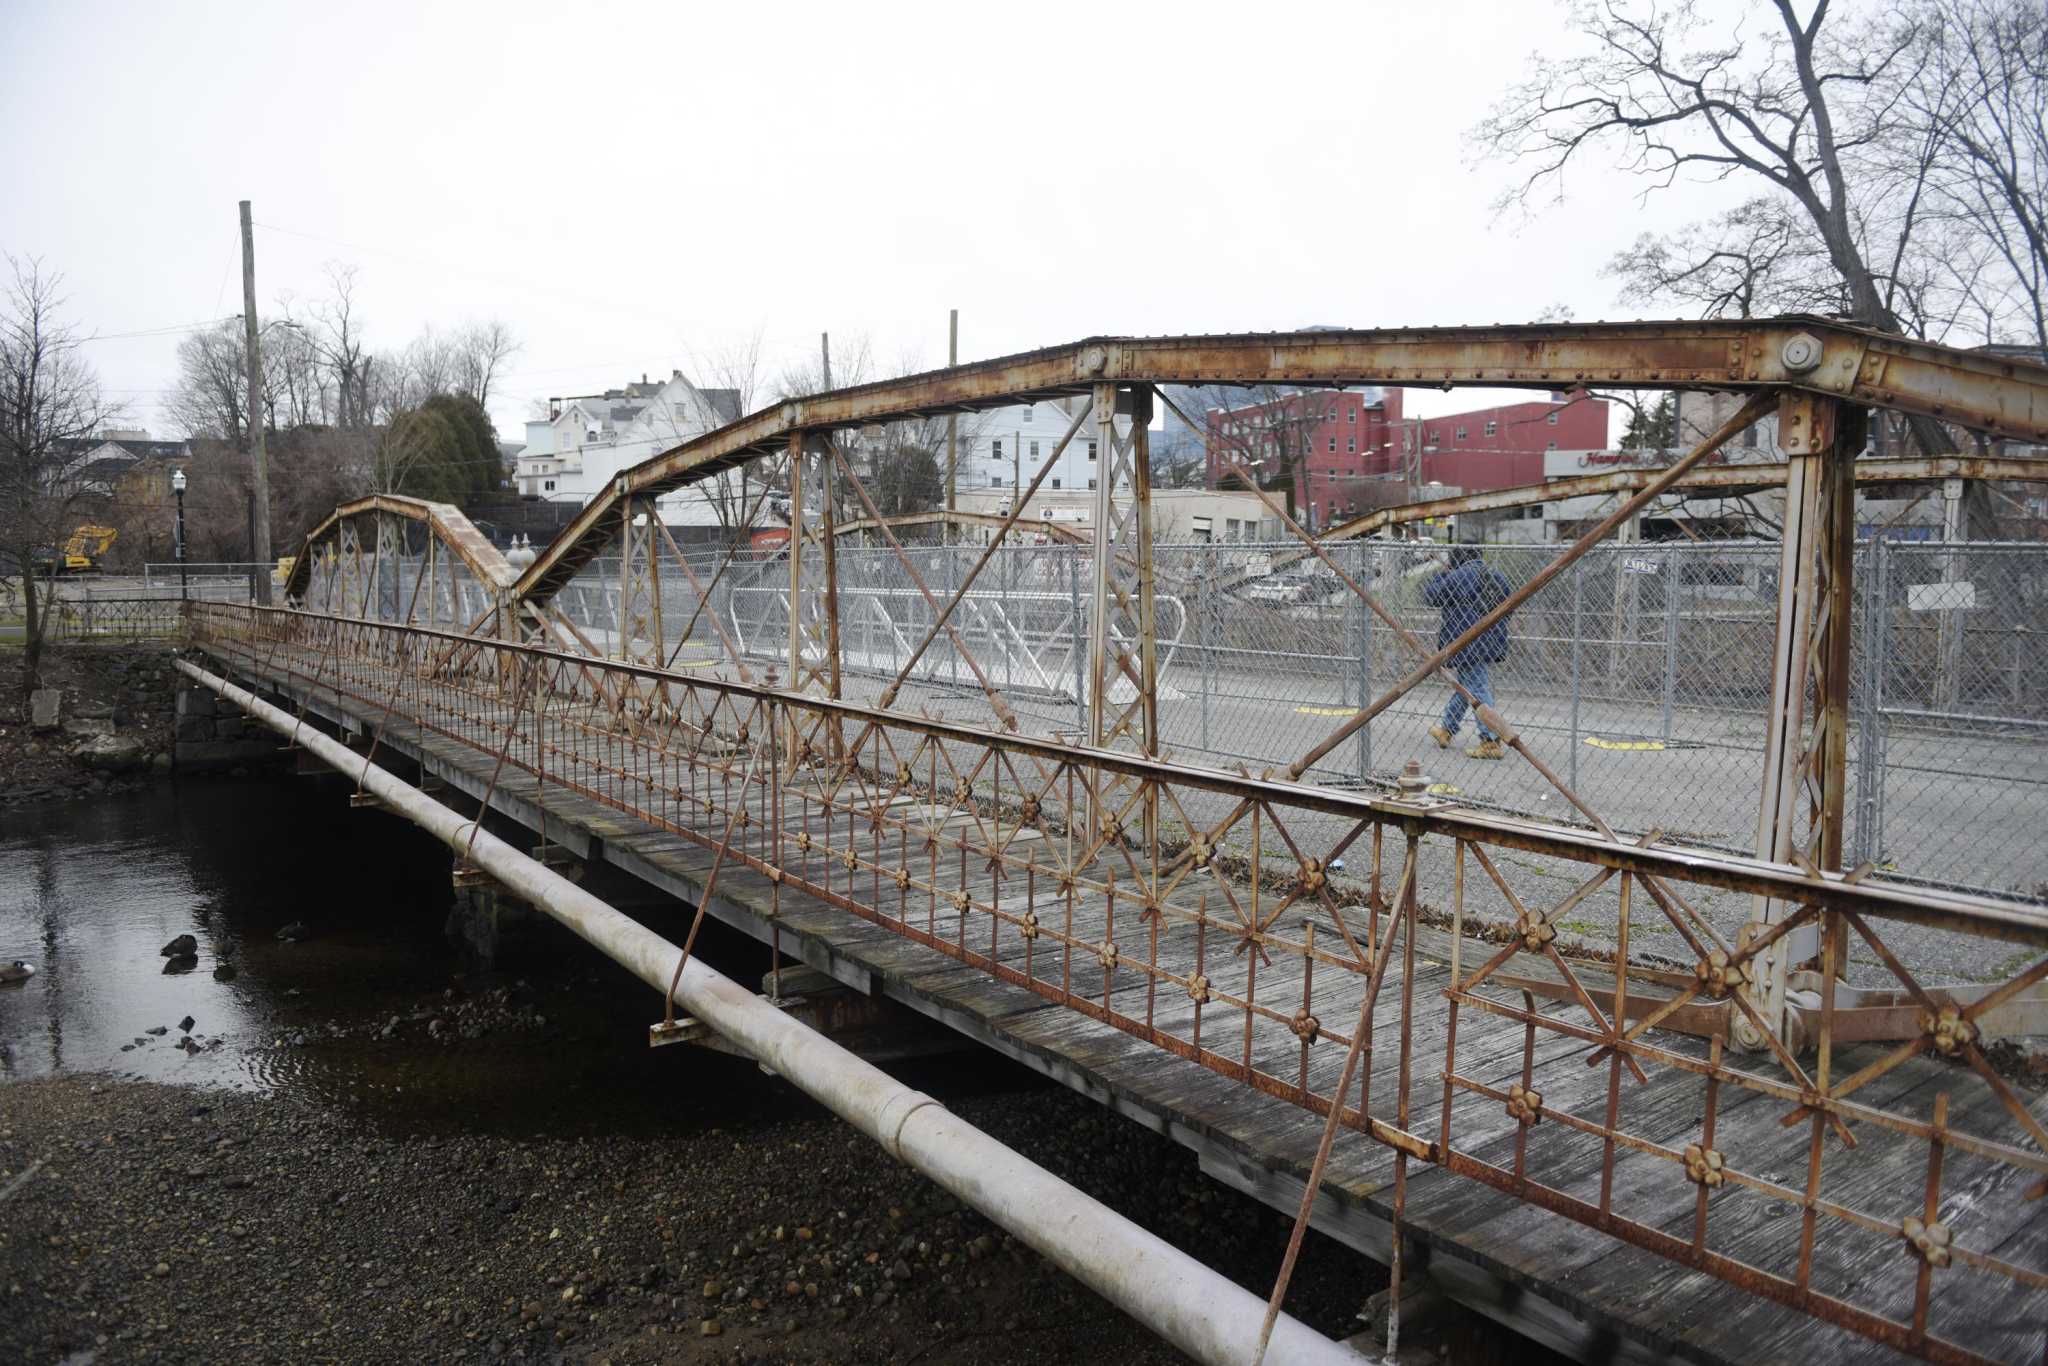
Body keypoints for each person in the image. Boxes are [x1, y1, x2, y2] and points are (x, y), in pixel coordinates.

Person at [1423, 546, 1512, 759]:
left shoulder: (1457, 577)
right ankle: (1447, 729)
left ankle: (1490, 740)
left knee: (1476, 689)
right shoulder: (1496, 576)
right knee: (1466, 687)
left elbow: (1431, 597)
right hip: (1490, 639)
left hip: (1465, 641)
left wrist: (1442, 574)